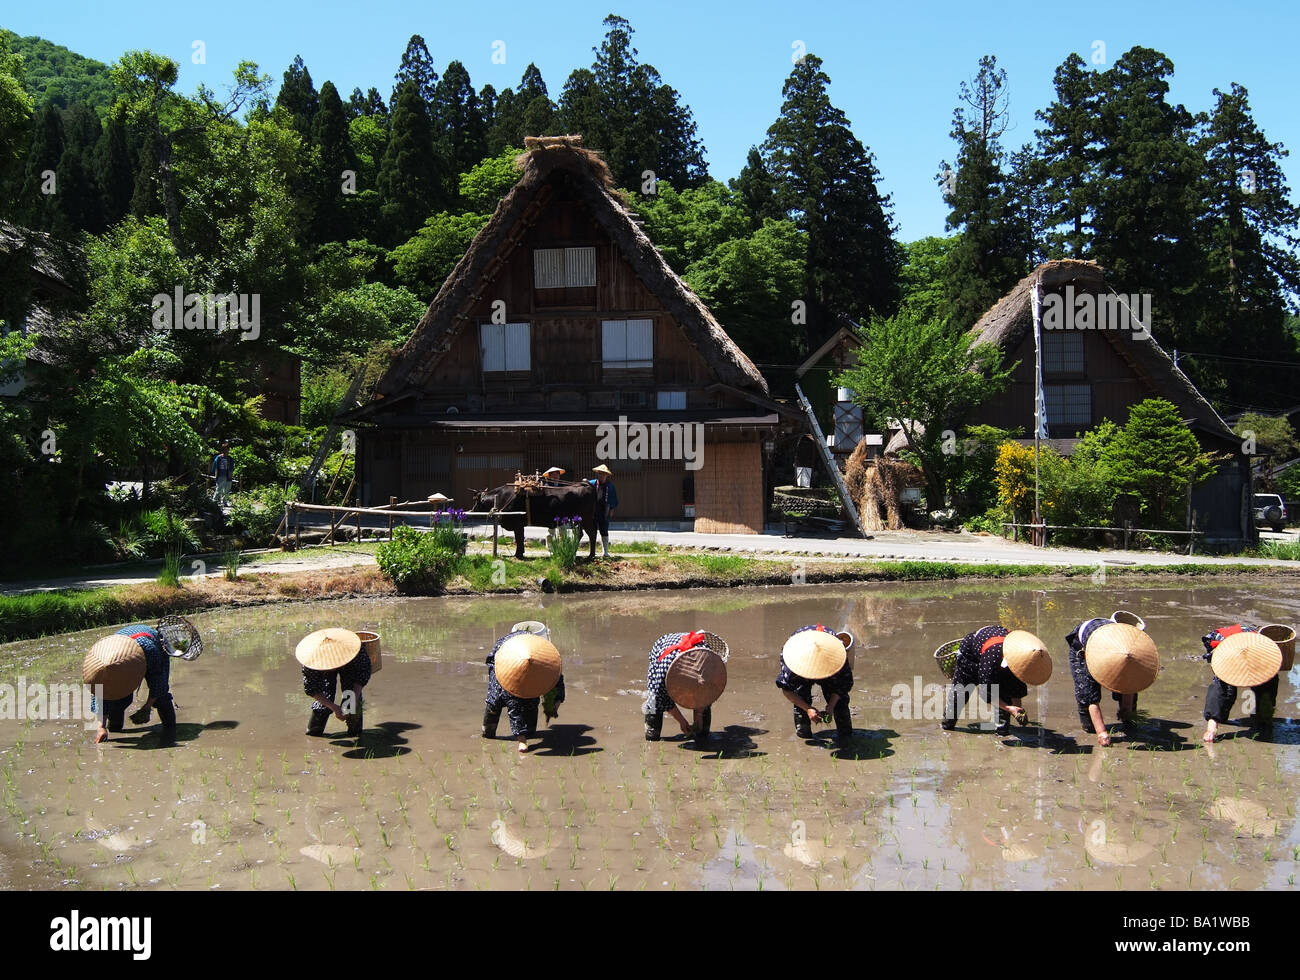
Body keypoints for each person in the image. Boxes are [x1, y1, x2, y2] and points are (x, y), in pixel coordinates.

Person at [91, 621, 189, 745]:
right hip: (121, 647)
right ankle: (114, 729)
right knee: (119, 698)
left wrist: (147, 707)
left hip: (149, 647)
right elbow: (101, 697)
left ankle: (170, 731)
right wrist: (101, 727)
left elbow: (158, 682)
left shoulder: (150, 651)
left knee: (161, 697)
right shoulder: (103, 665)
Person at [942, 626, 1051, 734]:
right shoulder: (992, 658)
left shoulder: (1021, 656)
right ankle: (947, 723)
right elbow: (986, 692)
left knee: (1005, 690)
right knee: (961, 692)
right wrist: (1009, 708)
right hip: (970, 655)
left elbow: (1016, 687)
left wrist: (1018, 710)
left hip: (996, 651)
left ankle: (1002, 730)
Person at [1067, 616, 1157, 746]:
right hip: (1082, 648)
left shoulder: (1131, 653)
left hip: (1114, 649)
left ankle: (1129, 721)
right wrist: (1102, 733)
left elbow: (1130, 683)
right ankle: (1090, 725)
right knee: (1085, 690)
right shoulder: (1100, 652)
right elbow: (1091, 698)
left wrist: (1126, 710)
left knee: (1128, 681)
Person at [484, 627, 565, 752]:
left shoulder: (546, 658)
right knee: (495, 702)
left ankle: (530, 732)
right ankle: (488, 732)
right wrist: (521, 740)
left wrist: (557, 701)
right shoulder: (505, 648)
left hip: (531, 665)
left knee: (531, 701)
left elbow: (556, 678)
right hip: (503, 665)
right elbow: (514, 710)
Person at [1201, 624, 1281, 742]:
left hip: (1252, 644)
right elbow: (1219, 692)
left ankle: (1262, 718)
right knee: (1224, 686)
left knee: (1267, 683)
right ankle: (1216, 721)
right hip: (1226, 644)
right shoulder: (1226, 658)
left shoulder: (1262, 655)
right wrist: (1211, 729)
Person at [775, 625, 855, 743]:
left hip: (828, 653)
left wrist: (831, 706)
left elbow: (842, 685)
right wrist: (807, 708)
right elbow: (787, 690)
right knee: (801, 696)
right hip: (801, 654)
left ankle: (846, 737)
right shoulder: (792, 664)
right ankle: (803, 735)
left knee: (840, 703)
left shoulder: (838, 659)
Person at [644, 631, 727, 745]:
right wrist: (682, 721)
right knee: (654, 702)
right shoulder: (663, 671)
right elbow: (662, 698)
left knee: (706, 697)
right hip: (663, 649)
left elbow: (709, 690)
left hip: (698, 655)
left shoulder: (708, 661)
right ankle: (652, 734)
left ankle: (702, 734)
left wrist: (699, 715)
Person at [296, 628, 371, 739]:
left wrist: (353, 700)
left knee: (351, 699)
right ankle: (314, 732)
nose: (333, 668)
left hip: (350, 663)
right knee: (325, 695)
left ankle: (355, 733)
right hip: (319, 666)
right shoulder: (311, 660)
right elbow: (312, 689)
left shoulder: (356, 651)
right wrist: (334, 707)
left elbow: (360, 677)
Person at [589, 464, 618, 557]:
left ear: (607, 475)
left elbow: (613, 499)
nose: (601, 475)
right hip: (593, 510)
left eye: (603, 474)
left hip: (604, 510)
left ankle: (605, 552)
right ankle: (592, 551)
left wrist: (612, 509)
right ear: (597, 474)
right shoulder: (592, 483)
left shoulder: (610, 486)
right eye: (600, 473)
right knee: (592, 531)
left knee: (604, 530)